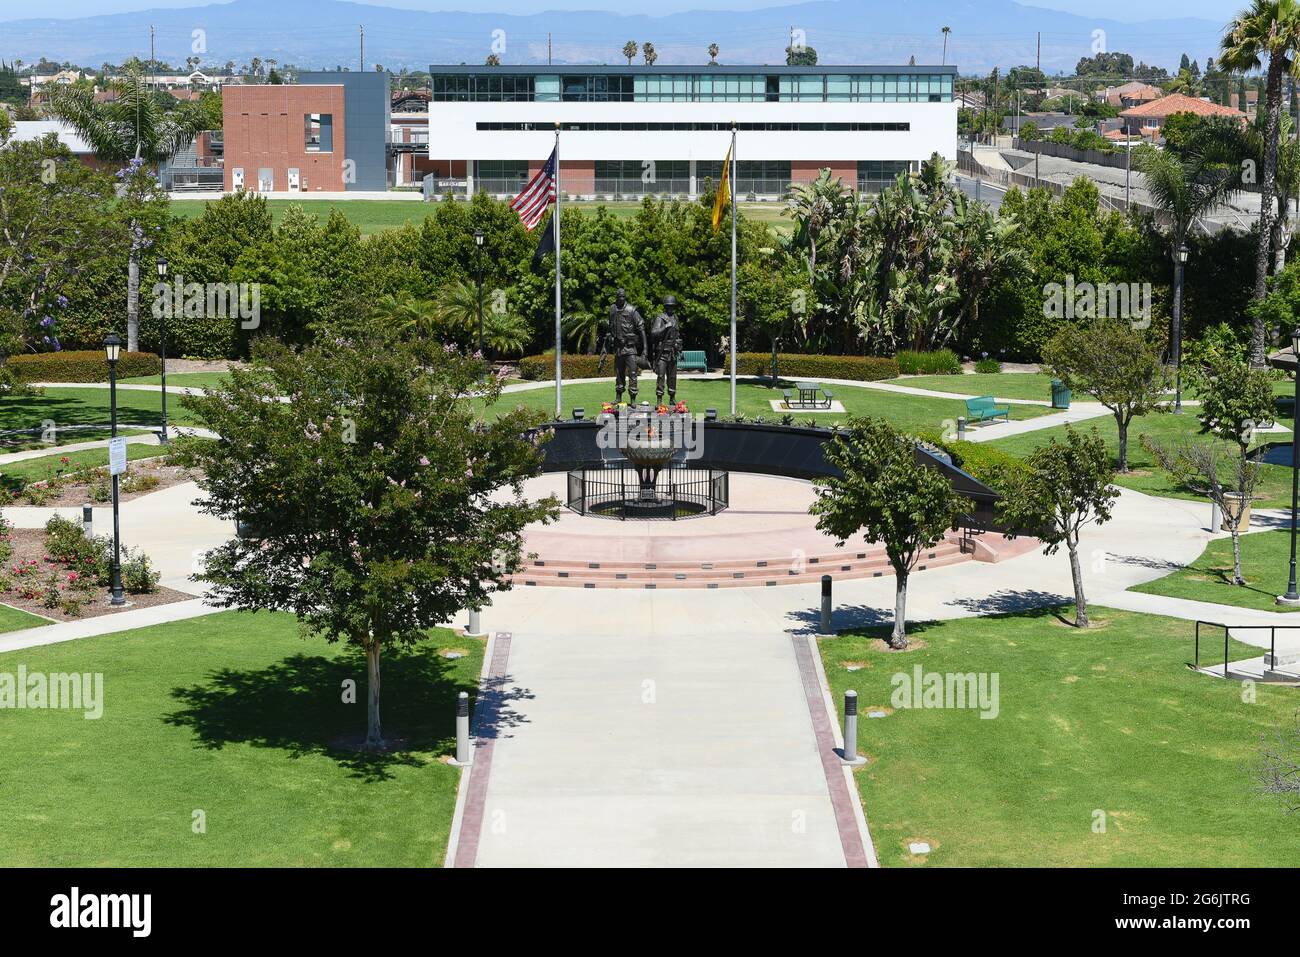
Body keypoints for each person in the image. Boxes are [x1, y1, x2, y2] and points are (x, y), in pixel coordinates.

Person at [606, 288, 646, 404]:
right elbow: (610, 327)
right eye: (619, 297)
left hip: (630, 348)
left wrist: (645, 349)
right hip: (618, 348)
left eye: (623, 297)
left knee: (633, 373)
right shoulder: (612, 309)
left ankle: (633, 399)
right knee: (619, 374)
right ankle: (618, 397)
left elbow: (641, 329)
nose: (621, 299)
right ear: (616, 297)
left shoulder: (632, 310)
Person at [649, 295, 683, 406]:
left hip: (672, 352)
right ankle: (659, 400)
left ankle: (672, 397)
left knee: (672, 377)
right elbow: (654, 333)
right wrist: (665, 327)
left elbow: (676, 334)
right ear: (665, 307)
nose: (670, 309)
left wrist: (678, 344)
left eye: (672, 306)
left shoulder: (675, 318)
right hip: (662, 353)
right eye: (668, 306)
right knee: (661, 377)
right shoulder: (660, 318)